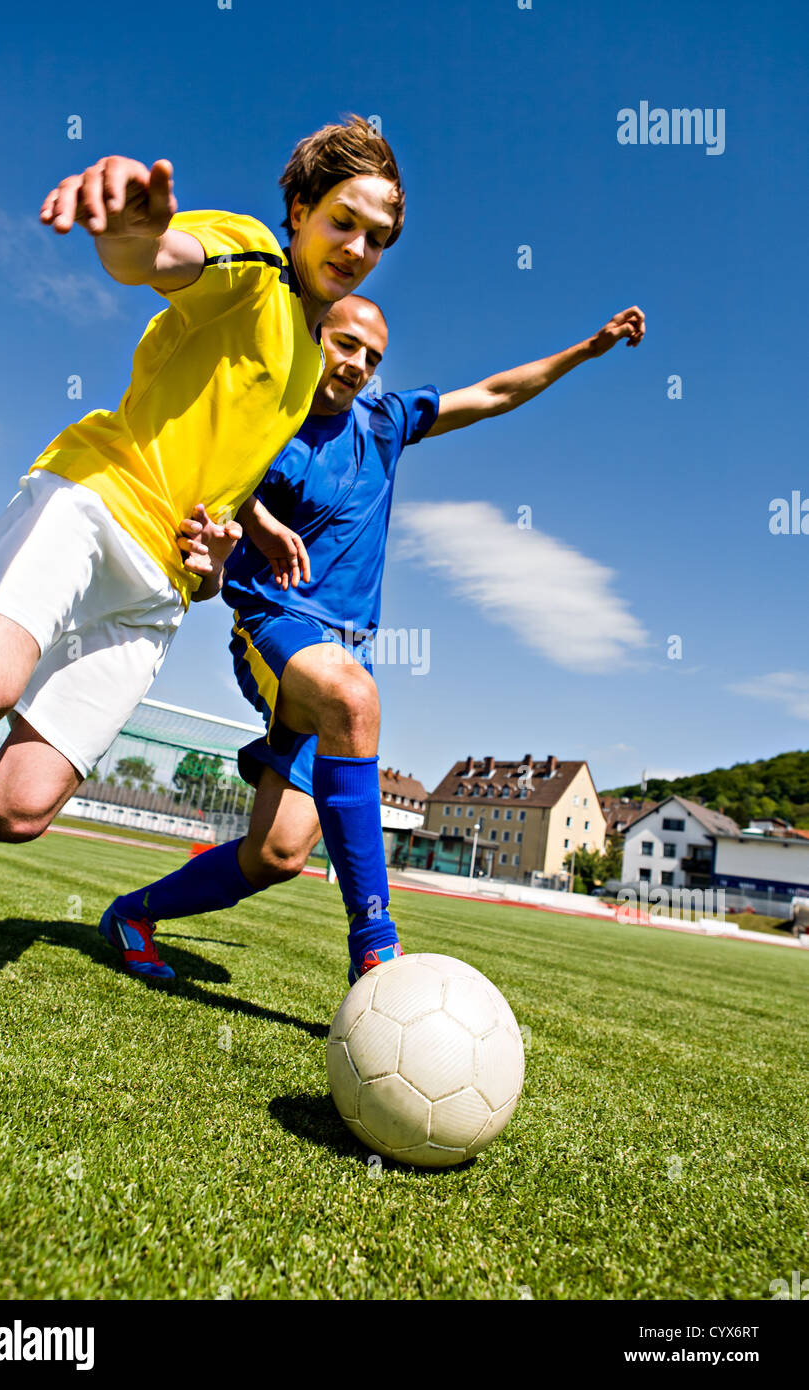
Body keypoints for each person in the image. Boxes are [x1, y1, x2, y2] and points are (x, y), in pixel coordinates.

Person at [102, 293, 645, 983]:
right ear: (311, 339)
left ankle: (132, 914)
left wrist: (586, 350)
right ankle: (377, 947)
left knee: (277, 853)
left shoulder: (385, 424)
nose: (358, 364)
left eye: (373, 356)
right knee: (355, 699)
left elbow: (495, 392)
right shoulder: (260, 430)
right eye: (346, 344)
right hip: (273, 627)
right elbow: (202, 497)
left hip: (343, 648)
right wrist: (257, 520)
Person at [0, 116, 405, 900]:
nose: (357, 249)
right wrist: (130, 227)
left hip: (158, 592)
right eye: (343, 222)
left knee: (14, 807)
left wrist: (222, 549)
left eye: (377, 238)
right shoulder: (255, 258)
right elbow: (159, 255)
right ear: (299, 211)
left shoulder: (305, 368)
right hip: (94, 502)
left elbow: (220, 477)